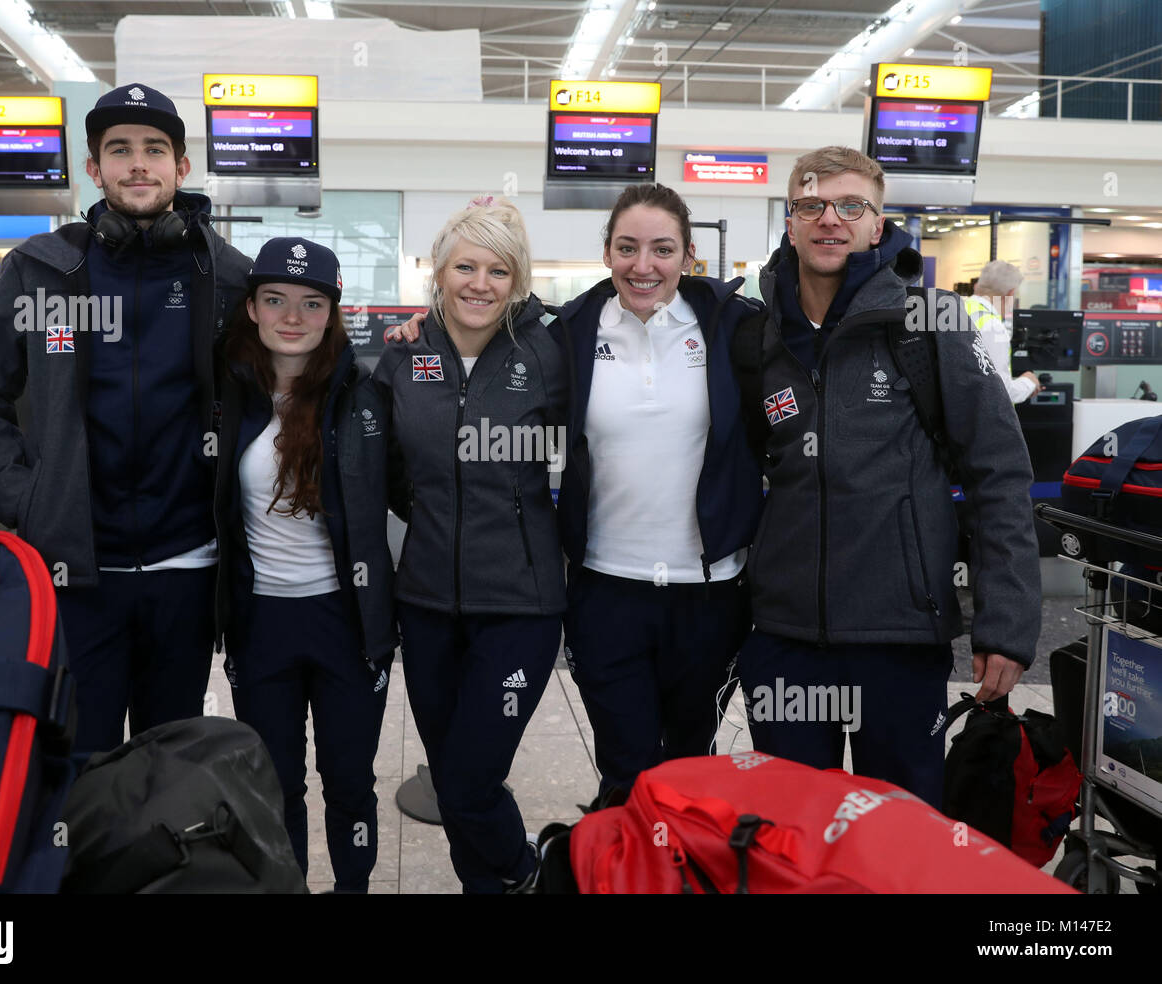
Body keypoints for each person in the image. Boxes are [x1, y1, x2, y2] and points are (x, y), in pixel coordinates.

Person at [732, 146, 1041, 808]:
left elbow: (1000, 474)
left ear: (878, 224)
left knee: (899, 842)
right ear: (790, 221)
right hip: (785, 643)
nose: (830, 220)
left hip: (899, 639)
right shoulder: (760, 338)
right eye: (811, 205)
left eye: (852, 206)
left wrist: (1006, 624)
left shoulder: (928, 324)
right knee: (789, 837)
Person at [0, 83, 252, 761]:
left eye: (154, 149)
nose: (137, 163)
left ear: (181, 166)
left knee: (167, 766)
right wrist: (32, 501)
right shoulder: (42, 271)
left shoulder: (227, 277)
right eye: (120, 150)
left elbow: (298, 369)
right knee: (76, 765)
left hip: (188, 568)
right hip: (77, 571)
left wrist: (424, 328)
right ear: (95, 169)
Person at [372, 196, 568, 893]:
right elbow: (390, 473)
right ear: (438, 271)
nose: (479, 283)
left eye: (498, 270)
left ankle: (524, 877)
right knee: (454, 779)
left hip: (520, 605)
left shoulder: (548, 352)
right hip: (425, 604)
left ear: (518, 282)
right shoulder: (403, 359)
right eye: (465, 266)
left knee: (469, 777)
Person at [550, 184, 761, 807]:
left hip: (712, 591)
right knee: (626, 771)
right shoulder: (568, 332)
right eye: (627, 248)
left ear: (689, 255)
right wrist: (422, 328)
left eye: (662, 249)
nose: (644, 266)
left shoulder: (733, 328)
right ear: (607, 251)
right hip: (605, 590)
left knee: (690, 768)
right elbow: (482, 338)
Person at [215, 237, 395, 893]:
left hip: (346, 622)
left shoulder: (365, 401)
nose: (292, 316)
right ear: (254, 309)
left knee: (349, 782)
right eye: (276, 300)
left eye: (310, 302)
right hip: (261, 625)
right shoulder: (228, 399)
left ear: (332, 313)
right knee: (275, 782)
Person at [966, 260, 1042, 404]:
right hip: (984, 416)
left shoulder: (957, 310)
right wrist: (1028, 381)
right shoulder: (992, 326)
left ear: (978, 286)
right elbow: (1000, 391)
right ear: (1010, 293)